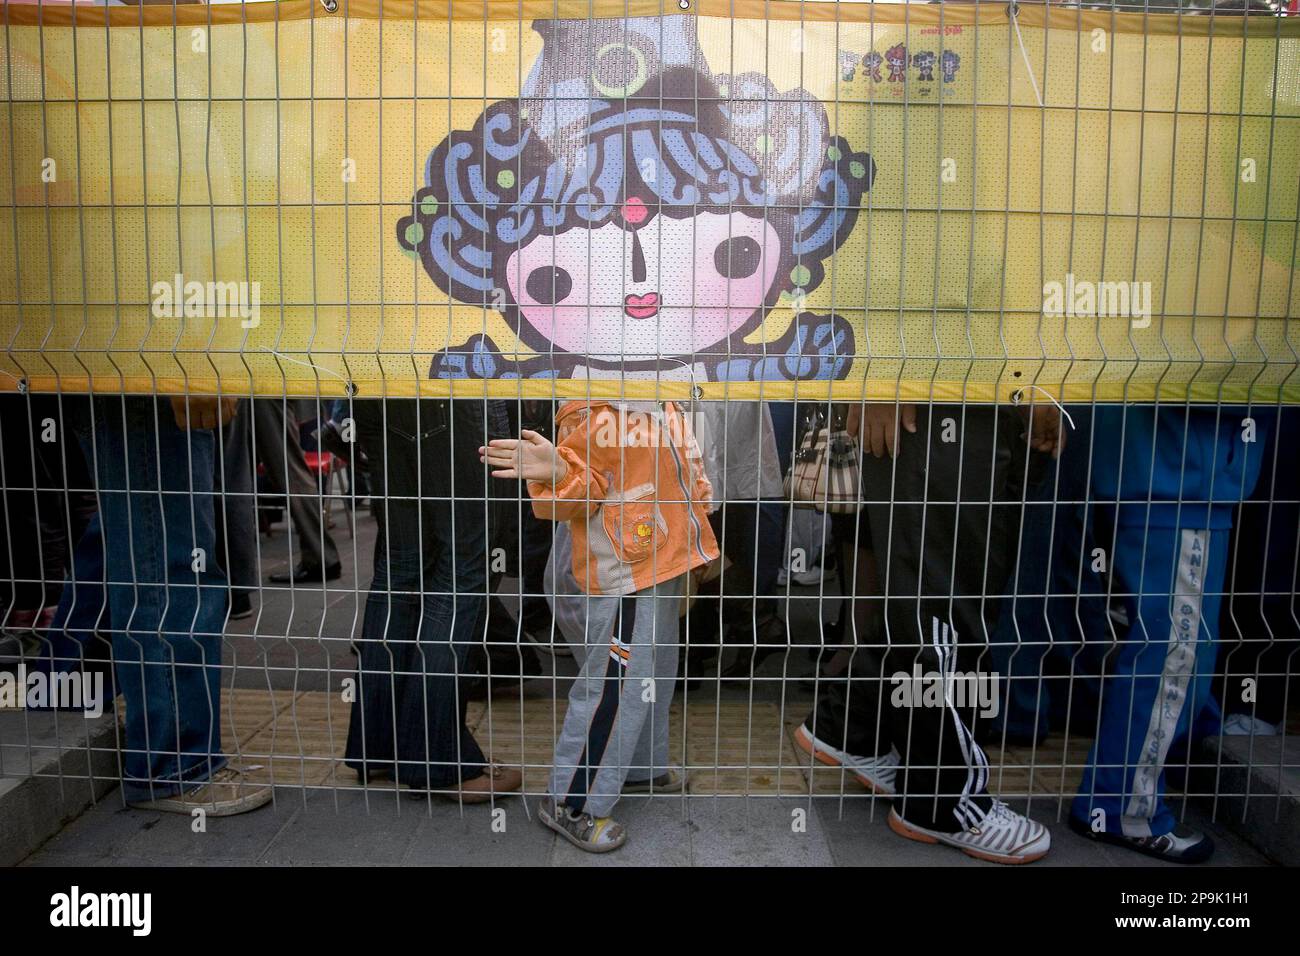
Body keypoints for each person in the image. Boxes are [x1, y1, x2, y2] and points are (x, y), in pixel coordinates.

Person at [794, 398, 1063, 864]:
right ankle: (942, 800)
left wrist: (1033, 389)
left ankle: (856, 726)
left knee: (943, 587)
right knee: (945, 600)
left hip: (980, 393)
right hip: (930, 398)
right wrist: (878, 382)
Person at [482, 399, 719, 852]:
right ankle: (571, 801)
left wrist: (696, 536)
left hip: (662, 557)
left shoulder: (664, 389)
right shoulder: (594, 398)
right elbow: (583, 491)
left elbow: (686, 465)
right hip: (625, 569)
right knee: (615, 682)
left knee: (652, 668)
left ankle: (640, 766)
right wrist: (556, 473)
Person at [1070, 404, 1271, 863]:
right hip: (1180, 470)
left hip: (1178, 468)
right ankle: (1123, 808)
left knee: (1179, 648)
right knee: (1175, 653)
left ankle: (1133, 789)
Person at [62, 394, 271, 815]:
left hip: (143, 382)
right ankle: (174, 765)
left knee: (160, 559)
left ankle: (175, 760)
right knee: (169, 570)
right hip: (146, 385)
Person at [343, 398, 523, 802]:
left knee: (401, 569)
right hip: (455, 383)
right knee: (460, 575)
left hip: (376, 386)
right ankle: (440, 761)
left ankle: (378, 749)